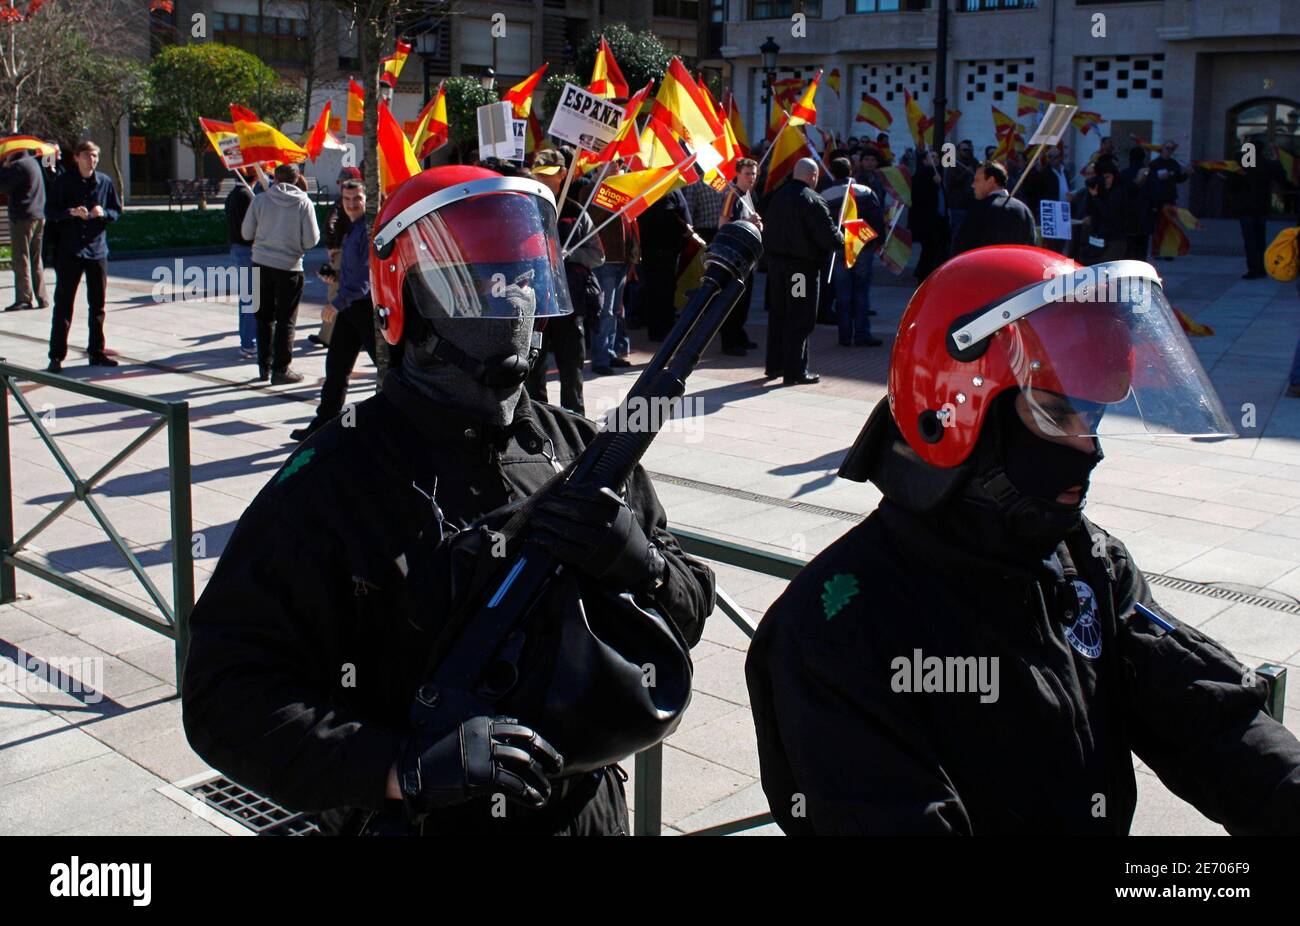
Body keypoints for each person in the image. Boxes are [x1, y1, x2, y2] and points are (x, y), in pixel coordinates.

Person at [182, 165, 715, 836]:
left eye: (525, 279)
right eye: (485, 283)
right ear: (404, 300)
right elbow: (224, 698)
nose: (515, 301)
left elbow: (690, 609)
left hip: (589, 818)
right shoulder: (335, 477)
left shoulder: (579, 448)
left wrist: (642, 565)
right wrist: (399, 767)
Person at [747, 244, 1300, 835]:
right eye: (1058, 416)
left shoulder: (1085, 561)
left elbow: (1208, 718)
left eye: (1094, 418)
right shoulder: (835, 630)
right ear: (957, 415)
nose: (1090, 450)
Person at [290, 180, 398, 442]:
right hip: (352, 308)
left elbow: (363, 281)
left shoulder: (368, 230)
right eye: (347, 200)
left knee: (388, 367)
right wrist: (335, 275)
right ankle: (325, 421)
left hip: (363, 308)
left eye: (356, 199)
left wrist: (335, 303)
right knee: (337, 366)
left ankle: (402, 421)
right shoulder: (354, 228)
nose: (351, 204)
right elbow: (354, 275)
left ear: (367, 199)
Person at [526, 147, 602, 414]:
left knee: (571, 372)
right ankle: (536, 423)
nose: (542, 181)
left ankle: (575, 427)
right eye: (538, 176)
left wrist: (570, 254)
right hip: (535, 308)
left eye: (548, 176)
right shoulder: (523, 208)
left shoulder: (576, 213)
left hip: (569, 306)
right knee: (533, 375)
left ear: (563, 174)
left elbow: (597, 256)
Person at [762, 158, 843, 386]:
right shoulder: (812, 200)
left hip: (777, 268)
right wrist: (840, 237)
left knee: (779, 314)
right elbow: (827, 236)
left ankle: (775, 364)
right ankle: (795, 370)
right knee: (799, 316)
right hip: (800, 271)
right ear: (814, 176)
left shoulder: (777, 196)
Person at [45, 141, 121, 374]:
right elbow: (50, 211)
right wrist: (70, 212)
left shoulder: (105, 182)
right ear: (77, 157)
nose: (92, 160)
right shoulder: (64, 182)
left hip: (97, 250)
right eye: (88, 156)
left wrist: (104, 213)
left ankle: (96, 352)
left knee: (97, 304)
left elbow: (116, 211)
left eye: (95, 156)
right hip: (71, 250)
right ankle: (56, 356)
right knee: (64, 304)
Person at [241, 162, 320, 385]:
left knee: (263, 318)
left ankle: (263, 367)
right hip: (289, 267)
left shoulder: (260, 200)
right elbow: (311, 240)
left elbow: (246, 233)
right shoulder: (304, 203)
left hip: (260, 265)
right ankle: (281, 369)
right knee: (286, 319)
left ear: (274, 177)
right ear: (297, 179)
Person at [823, 157, 884, 348]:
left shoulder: (825, 195)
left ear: (832, 172)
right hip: (862, 248)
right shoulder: (865, 192)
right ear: (851, 171)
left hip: (839, 247)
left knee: (842, 293)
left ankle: (844, 335)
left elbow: (822, 223)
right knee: (861, 291)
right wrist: (876, 242)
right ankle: (862, 334)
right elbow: (877, 220)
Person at [590, 166, 637, 375]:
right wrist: (609, 188)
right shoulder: (591, 190)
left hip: (622, 259)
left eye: (617, 164)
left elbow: (631, 221)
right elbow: (595, 218)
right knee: (605, 311)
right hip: (606, 260)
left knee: (616, 311)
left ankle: (609, 352)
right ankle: (599, 359)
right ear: (599, 168)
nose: (617, 167)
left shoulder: (622, 191)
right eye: (611, 164)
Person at [311, 166, 363, 348]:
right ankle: (329, 336)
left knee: (337, 292)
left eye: (356, 199)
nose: (351, 203)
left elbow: (330, 223)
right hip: (344, 249)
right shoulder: (351, 210)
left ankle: (328, 336)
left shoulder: (362, 229)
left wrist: (332, 245)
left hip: (343, 251)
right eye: (341, 185)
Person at [636, 183, 692, 342]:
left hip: (667, 251)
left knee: (665, 290)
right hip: (660, 251)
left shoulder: (672, 188)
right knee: (660, 291)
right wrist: (685, 229)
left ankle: (663, 327)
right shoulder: (662, 189)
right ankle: (660, 330)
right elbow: (667, 217)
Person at [717, 157, 763, 356]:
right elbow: (723, 225)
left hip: (747, 258)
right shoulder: (732, 196)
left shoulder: (748, 195)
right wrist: (747, 221)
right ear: (738, 174)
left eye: (753, 174)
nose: (751, 178)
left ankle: (739, 335)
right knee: (732, 302)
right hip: (734, 258)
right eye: (747, 174)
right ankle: (729, 341)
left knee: (744, 301)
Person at [0, 145, 48, 312]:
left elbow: (3, 186)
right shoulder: (33, 162)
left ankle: (23, 298)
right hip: (38, 215)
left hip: (23, 217)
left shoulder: (18, 166)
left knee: (21, 258)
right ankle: (42, 297)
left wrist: (4, 168)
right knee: (36, 258)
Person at [951, 160, 1036, 255]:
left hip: (984, 267)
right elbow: (1032, 248)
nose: (973, 185)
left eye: (977, 180)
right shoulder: (1024, 209)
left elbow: (961, 247)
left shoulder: (980, 208)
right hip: (1017, 267)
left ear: (991, 181)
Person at [1228, 145, 1286, 280]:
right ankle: (1260, 268)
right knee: (1260, 239)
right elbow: (1282, 178)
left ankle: (1253, 269)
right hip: (1260, 208)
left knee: (1250, 240)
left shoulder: (1241, 164)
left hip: (1246, 208)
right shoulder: (1265, 164)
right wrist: (1275, 160)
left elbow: (1232, 186)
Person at [224, 171, 258, 359]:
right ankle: (248, 342)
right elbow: (252, 226)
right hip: (247, 250)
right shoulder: (247, 196)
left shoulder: (233, 195)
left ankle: (248, 341)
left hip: (238, 248)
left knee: (249, 297)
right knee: (251, 298)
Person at [909, 148, 948, 280]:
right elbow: (921, 197)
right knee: (929, 250)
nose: (935, 159)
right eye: (932, 157)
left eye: (936, 157)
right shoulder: (923, 175)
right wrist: (933, 182)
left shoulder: (937, 174)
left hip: (939, 220)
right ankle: (923, 274)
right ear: (925, 161)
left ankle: (925, 272)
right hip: (927, 221)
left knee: (934, 249)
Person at [1080, 161, 1128, 265]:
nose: (1105, 181)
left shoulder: (1118, 192)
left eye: (1108, 177)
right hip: (1100, 239)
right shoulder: (1101, 191)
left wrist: (1095, 197)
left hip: (1115, 240)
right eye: (1103, 177)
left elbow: (1109, 214)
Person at [1118, 147, 1154, 261]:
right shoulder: (1149, 174)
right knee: (1141, 252)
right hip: (1144, 216)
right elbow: (1155, 194)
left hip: (1128, 217)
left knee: (1128, 250)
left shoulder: (1124, 174)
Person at [943, 139, 978, 249]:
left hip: (972, 203)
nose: (967, 152)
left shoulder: (975, 163)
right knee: (958, 232)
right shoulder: (954, 165)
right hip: (958, 205)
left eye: (969, 149)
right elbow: (950, 183)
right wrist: (965, 173)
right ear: (959, 151)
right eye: (964, 150)